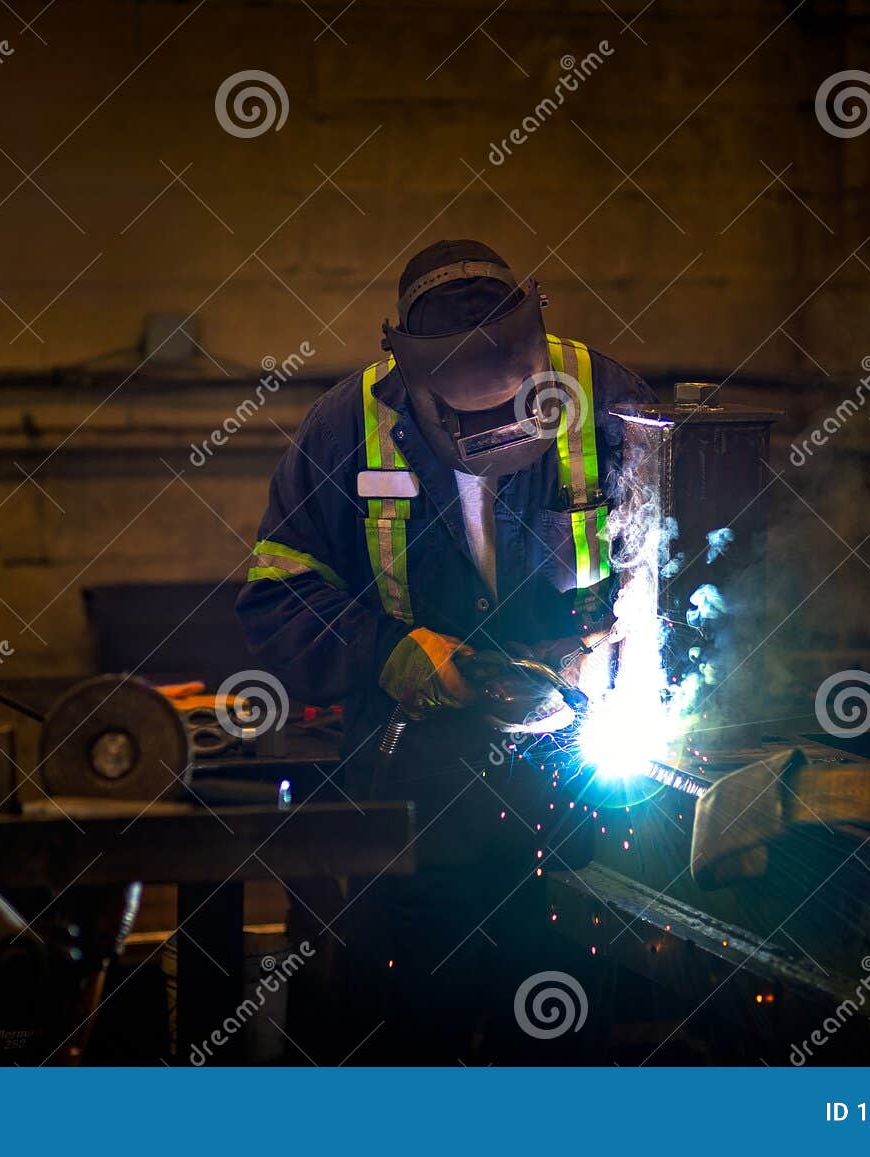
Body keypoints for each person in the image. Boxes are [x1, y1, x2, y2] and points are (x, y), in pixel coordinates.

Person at [236, 239, 654, 1061]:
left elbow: (684, 555)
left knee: (558, 1059)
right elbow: (276, 592)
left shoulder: (608, 399)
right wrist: (385, 651)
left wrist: (620, 641)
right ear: (413, 381)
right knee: (405, 1046)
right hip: (411, 810)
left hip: (569, 814)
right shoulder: (345, 428)